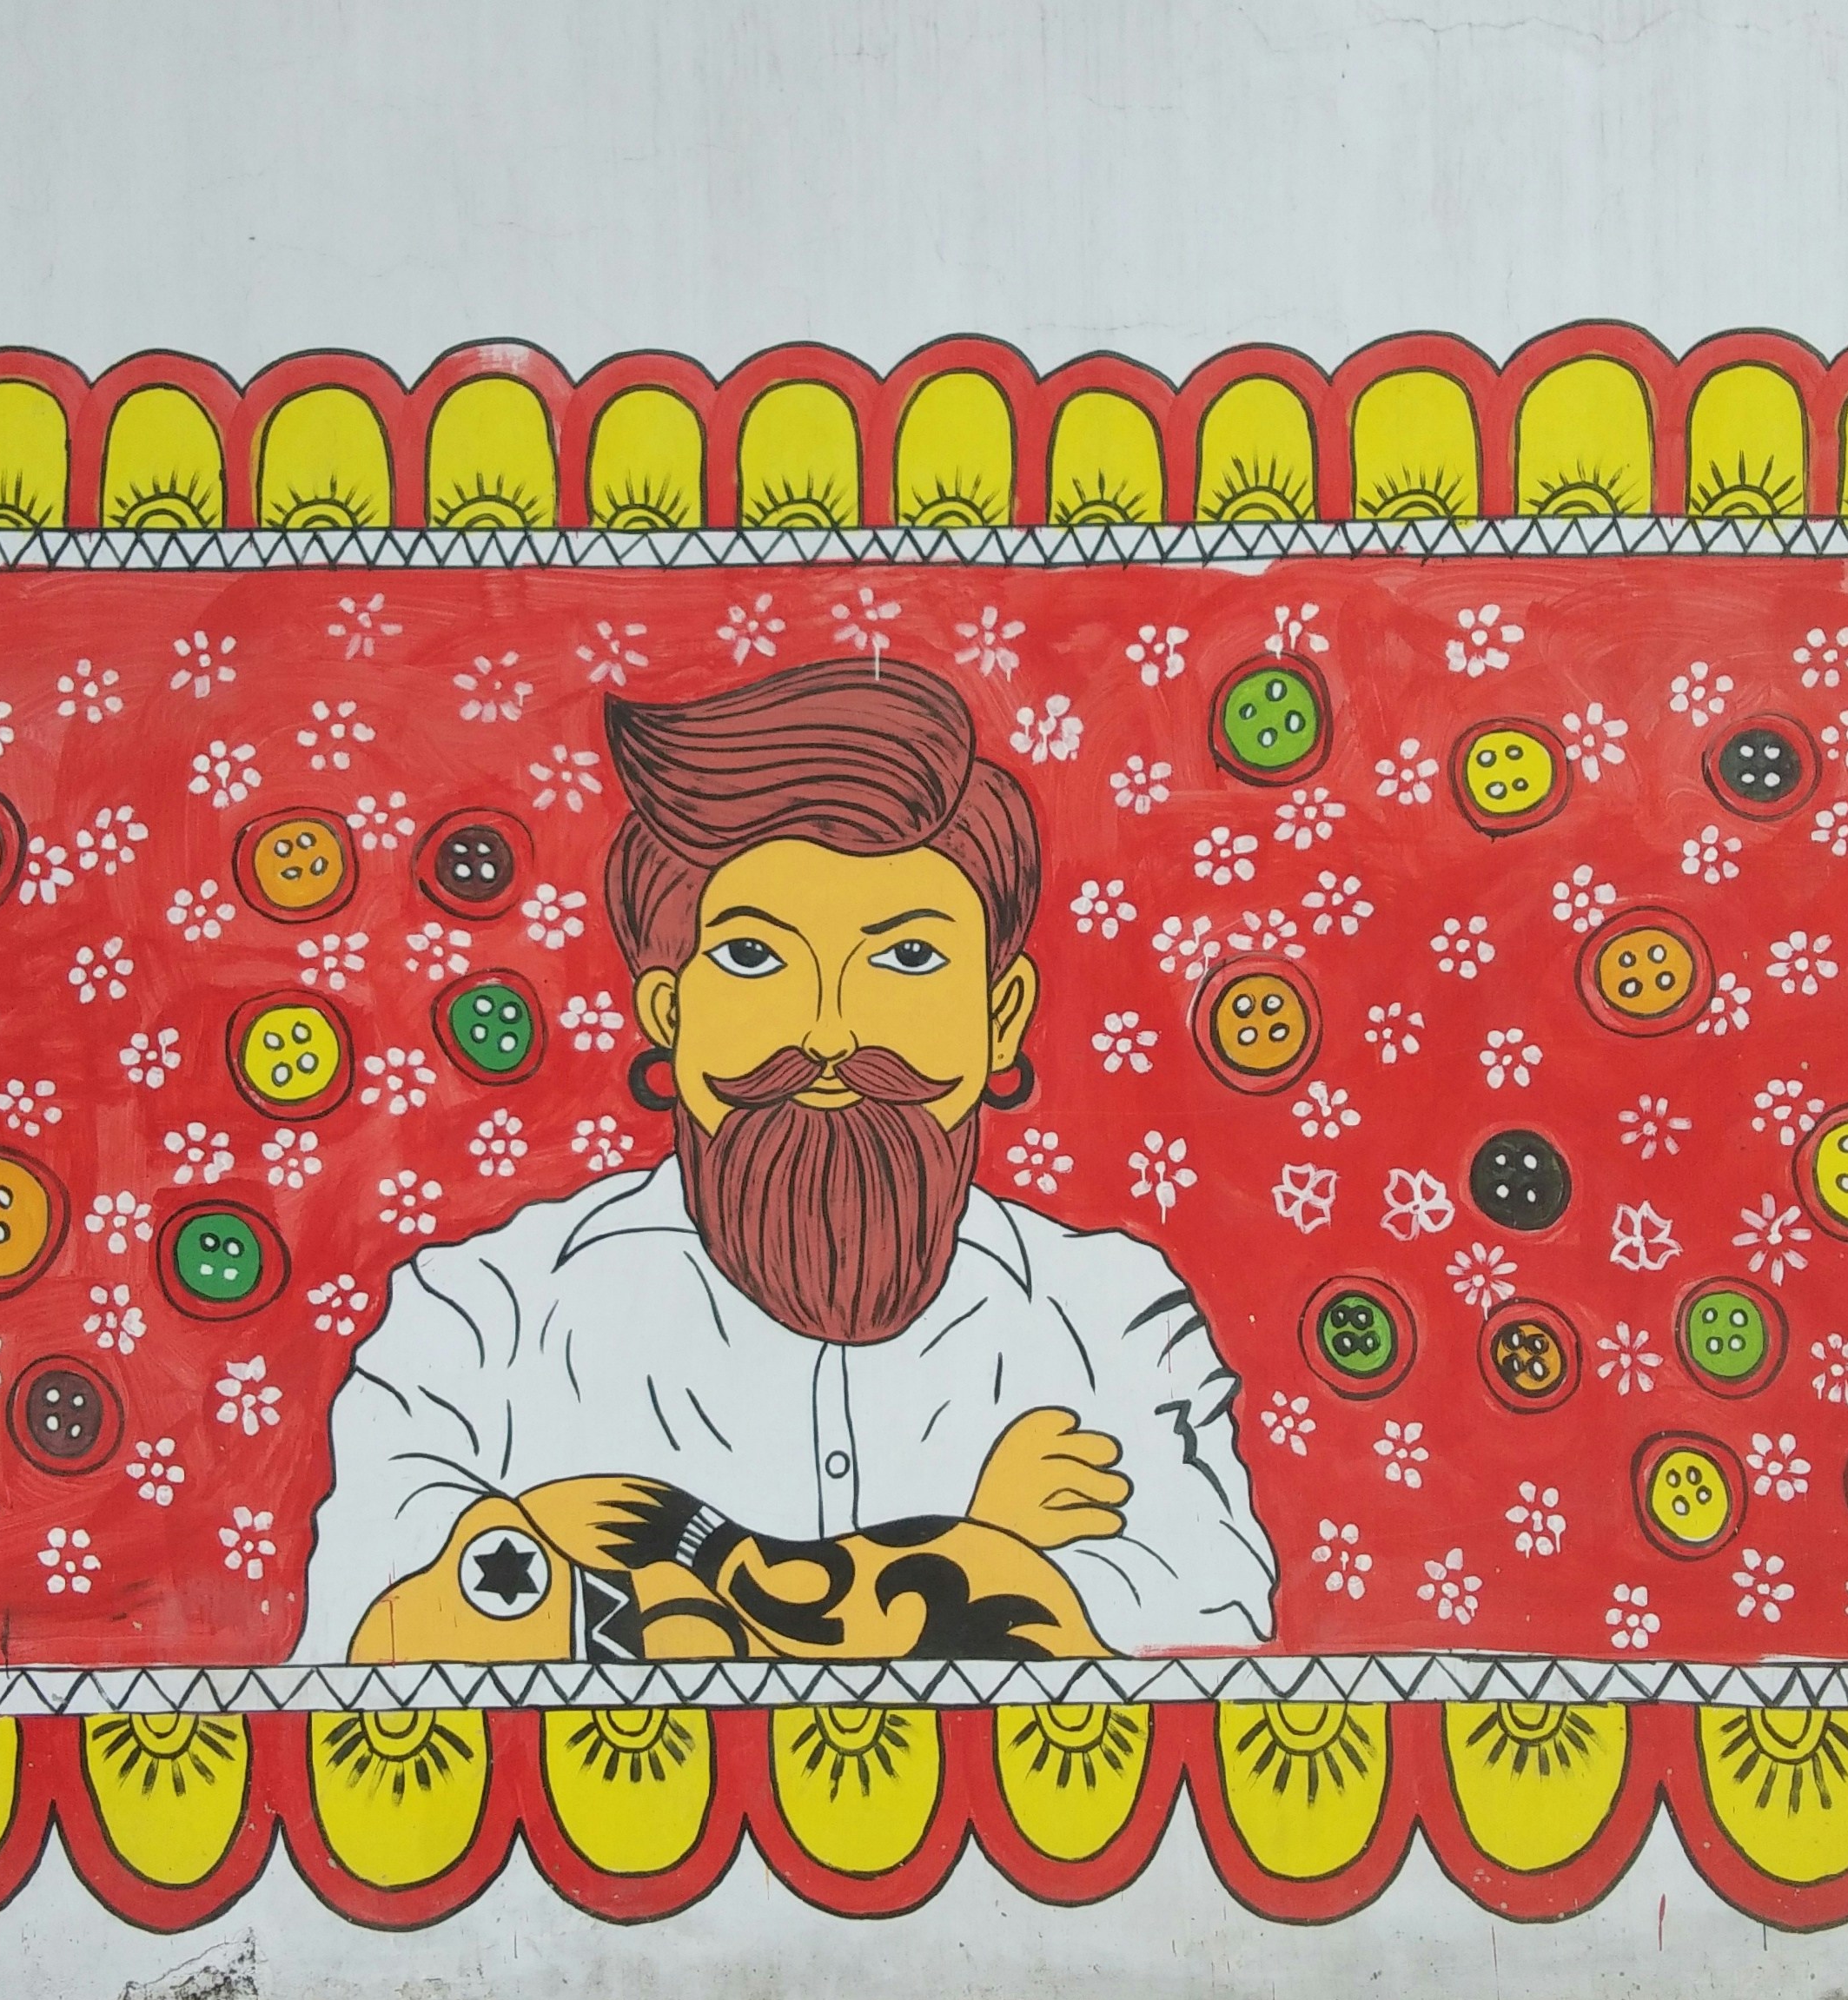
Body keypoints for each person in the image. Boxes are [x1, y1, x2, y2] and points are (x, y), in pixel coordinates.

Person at [298, 659, 1276, 1664]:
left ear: (1000, 1016)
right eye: (754, 959)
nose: (826, 1033)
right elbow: (360, 1669)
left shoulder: (1110, 1322)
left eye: (904, 959)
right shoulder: (480, 1325)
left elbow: (1206, 1672)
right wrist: (977, 1563)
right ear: (667, 1015)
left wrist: (640, 1573)